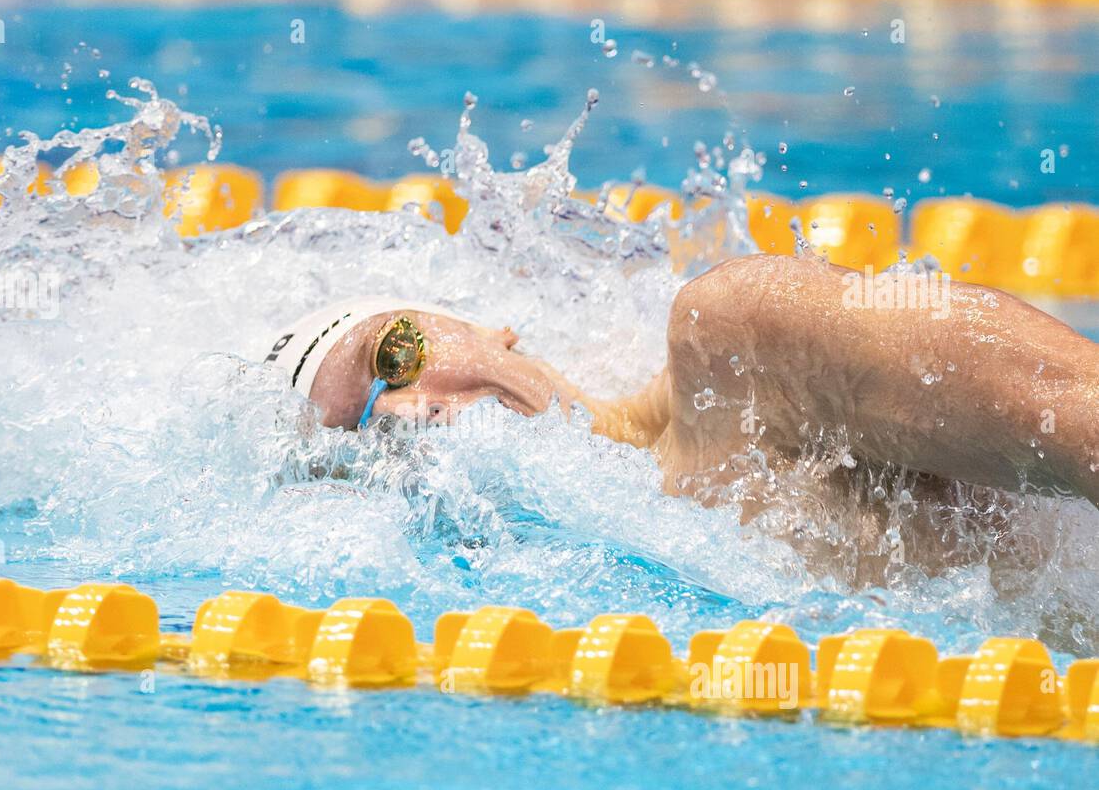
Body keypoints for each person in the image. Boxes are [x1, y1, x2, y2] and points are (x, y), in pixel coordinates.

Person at [263, 253, 1099, 572]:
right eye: (367, 428)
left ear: (489, 329)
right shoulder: (625, 561)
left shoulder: (735, 340)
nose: (411, 411)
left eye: (395, 355)